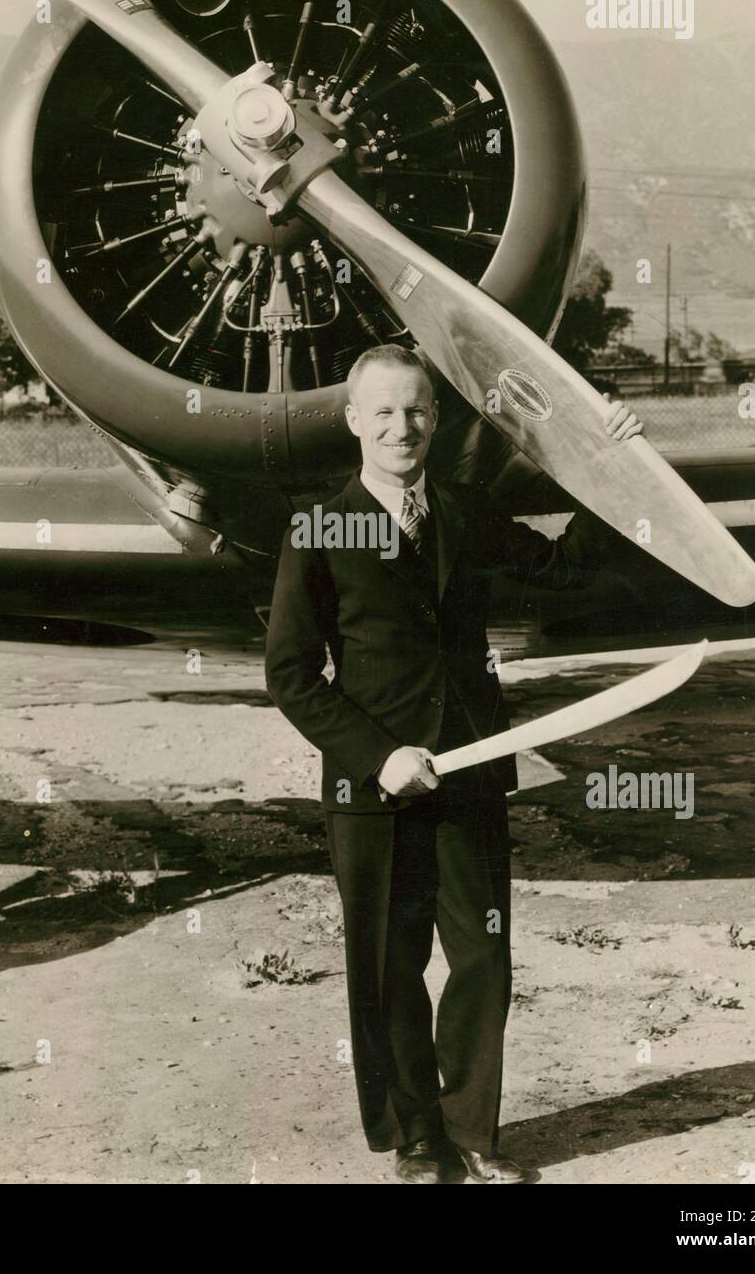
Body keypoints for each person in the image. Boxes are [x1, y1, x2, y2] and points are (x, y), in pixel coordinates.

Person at [264, 344, 643, 1183]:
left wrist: (609, 461)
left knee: (482, 958)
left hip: (473, 772)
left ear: (436, 419)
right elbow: (291, 675)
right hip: (376, 790)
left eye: (419, 411)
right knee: (390, 963)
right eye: (387, 412)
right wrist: (377, 756)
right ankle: (416, 1139)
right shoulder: (321, 525)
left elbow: (567, 569)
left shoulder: (466, 513)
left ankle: (474, 1131)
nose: (404, 427)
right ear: (355, 421)